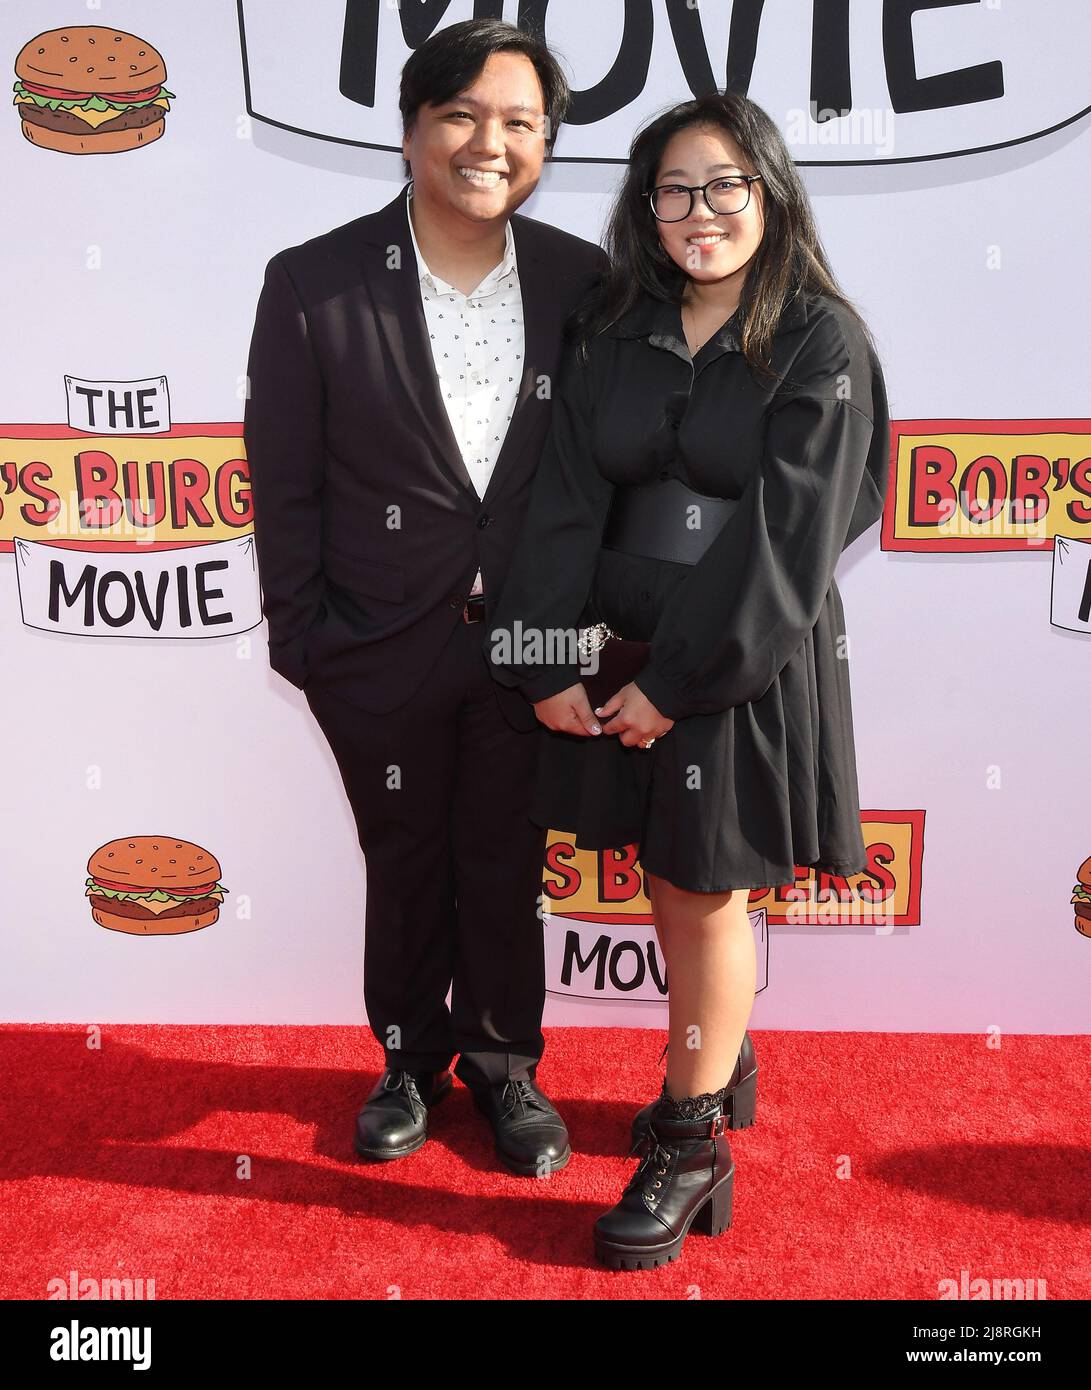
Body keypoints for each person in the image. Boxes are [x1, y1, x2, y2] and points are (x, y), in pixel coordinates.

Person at [487, 90, 891, 1268]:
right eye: (672, 188)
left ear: (766, 192)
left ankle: (690, 1136)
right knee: (671, 876)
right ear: (642, 203)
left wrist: (680, 676)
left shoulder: (821, 335)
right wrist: (541, 652)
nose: (698, 211)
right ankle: (723, 1052)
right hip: (617, 629)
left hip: (739, 646)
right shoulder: (613, 322)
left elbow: (793, 531)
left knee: (706, 886)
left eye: (725, 186)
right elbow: (565, 495)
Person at [244, 19, 606, 1176]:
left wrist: (575, 639)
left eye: (517, 123)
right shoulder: (313, 282)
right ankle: (406, 1061)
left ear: (544, 143)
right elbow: (284, 481)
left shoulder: (582, 284)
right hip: (374, 644)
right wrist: (307, 641)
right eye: (459, 115)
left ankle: (505, 1067)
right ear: (410, 131)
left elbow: (601, 481)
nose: (487, 143)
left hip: (532, 645)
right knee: (403, 856)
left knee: (504, 857)